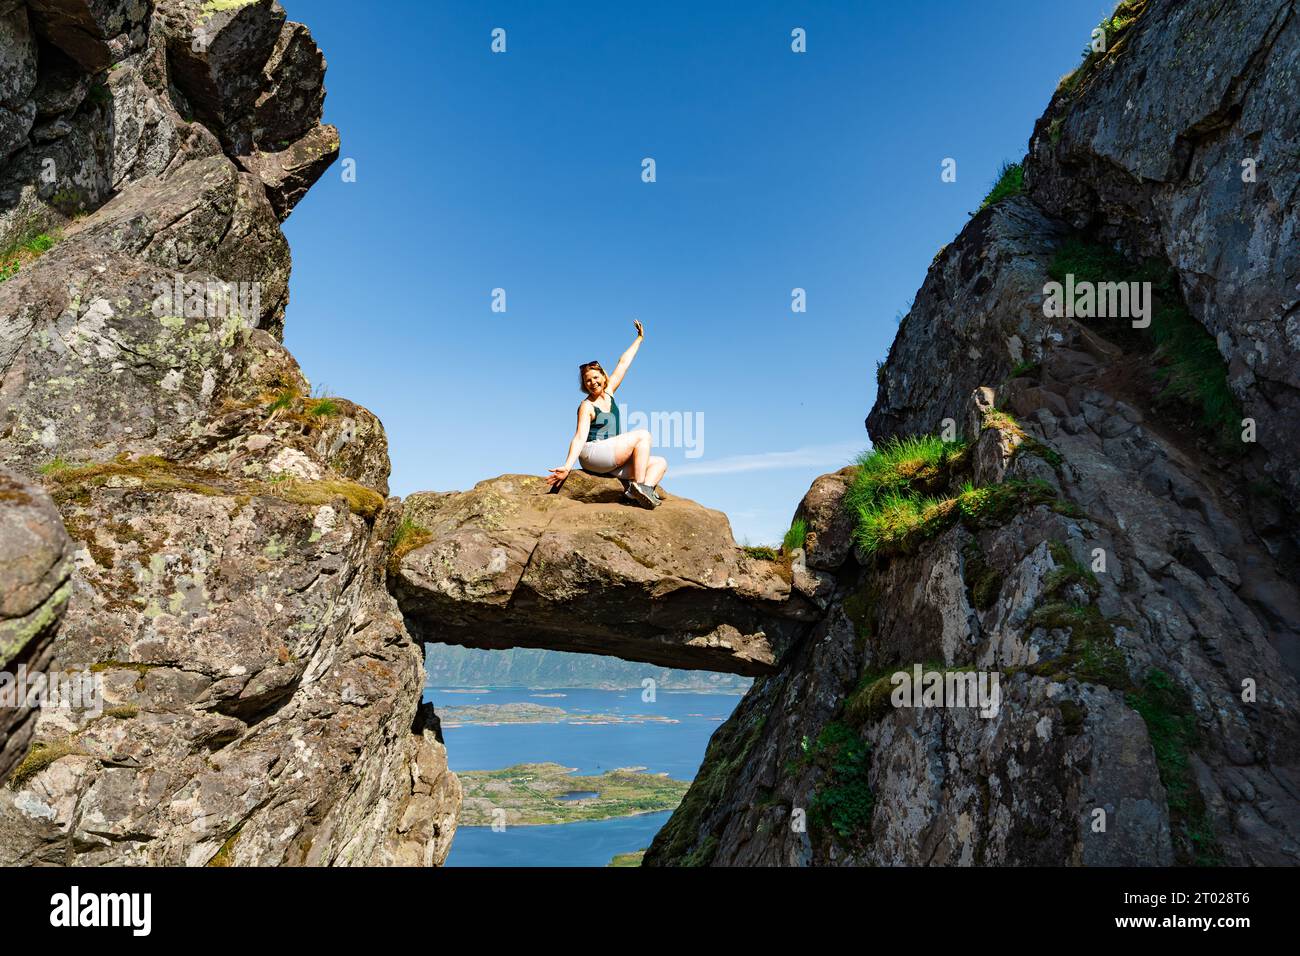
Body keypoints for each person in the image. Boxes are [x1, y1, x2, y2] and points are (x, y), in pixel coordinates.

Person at [545, 320, 667, 508]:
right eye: (587, 381)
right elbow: (579, 438)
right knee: (643, 435)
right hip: (593, 454)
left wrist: (640, 339)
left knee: (660, 463)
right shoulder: (587, 406)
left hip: (611, 459)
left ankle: (639, 493)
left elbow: (623, 363)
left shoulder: (610, 392)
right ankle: (640, 487)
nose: (592, 382)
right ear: (584, 385)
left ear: (603, 376)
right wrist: (567, 466)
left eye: (595, 377)